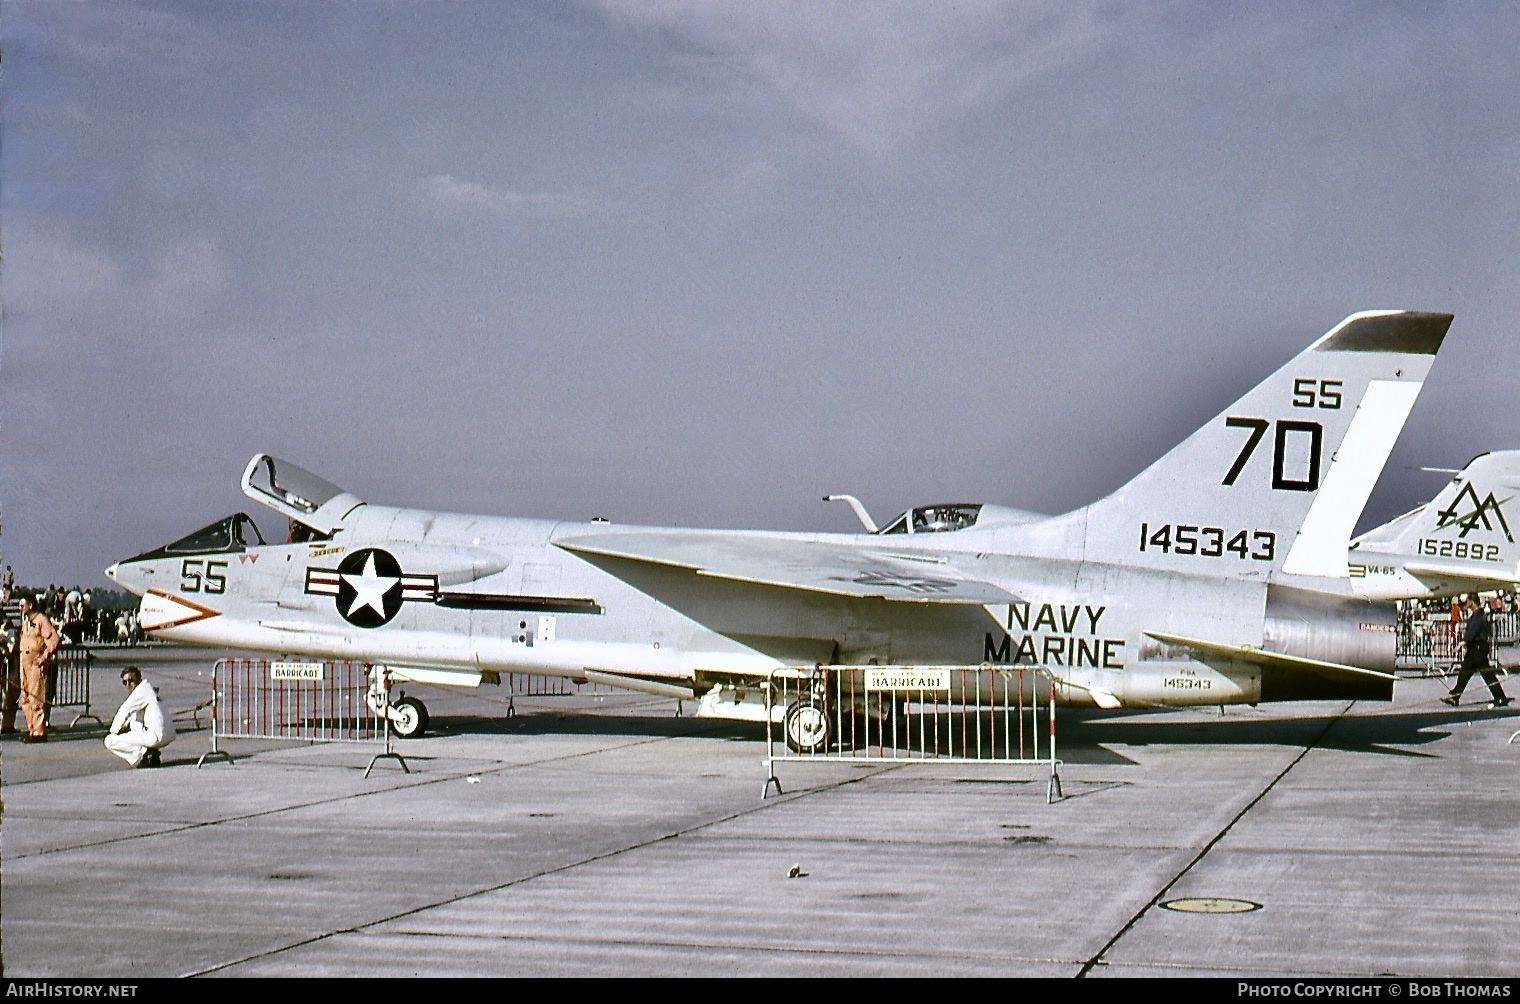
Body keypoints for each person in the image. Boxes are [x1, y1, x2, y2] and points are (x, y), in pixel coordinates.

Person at [1442, 595, 1511, 708]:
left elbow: (1472, 632)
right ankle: (1455, 695)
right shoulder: (1478, 615)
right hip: (1475, 648)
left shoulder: (1478, 616)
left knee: (1486, 674)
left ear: (1472, 602)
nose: (1466, 603)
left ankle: (1500, 697)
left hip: (1478, 648)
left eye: (1468, 601)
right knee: (1465, 672)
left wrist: (1461, 644)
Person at [105, 666, 175, 768]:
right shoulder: (149, 691)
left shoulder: (141, 691)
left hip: (156, 737)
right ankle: (149, 754)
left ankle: (145, 754)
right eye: (125, 682)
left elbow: (124, 710)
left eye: (131, 680)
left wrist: (114, 731)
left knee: (110, 740)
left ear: (139, 679)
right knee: (135, 722)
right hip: (168, 735)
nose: (128, 685)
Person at [16, 595, 61, 742]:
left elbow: (53, 640)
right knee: (26, 698)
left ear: (30, 605)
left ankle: (39, 732)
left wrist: (43, 657)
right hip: (24, 663)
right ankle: (32, 729)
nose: (20, 608)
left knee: (36, 697)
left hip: (36, 665)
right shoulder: (27, 623)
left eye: (22, 605)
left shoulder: (41, 620)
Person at [0, 613, 18, 735]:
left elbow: (11, 647)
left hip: (8, 668)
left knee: (8, 697)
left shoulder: (9, 630)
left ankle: (7, 724)